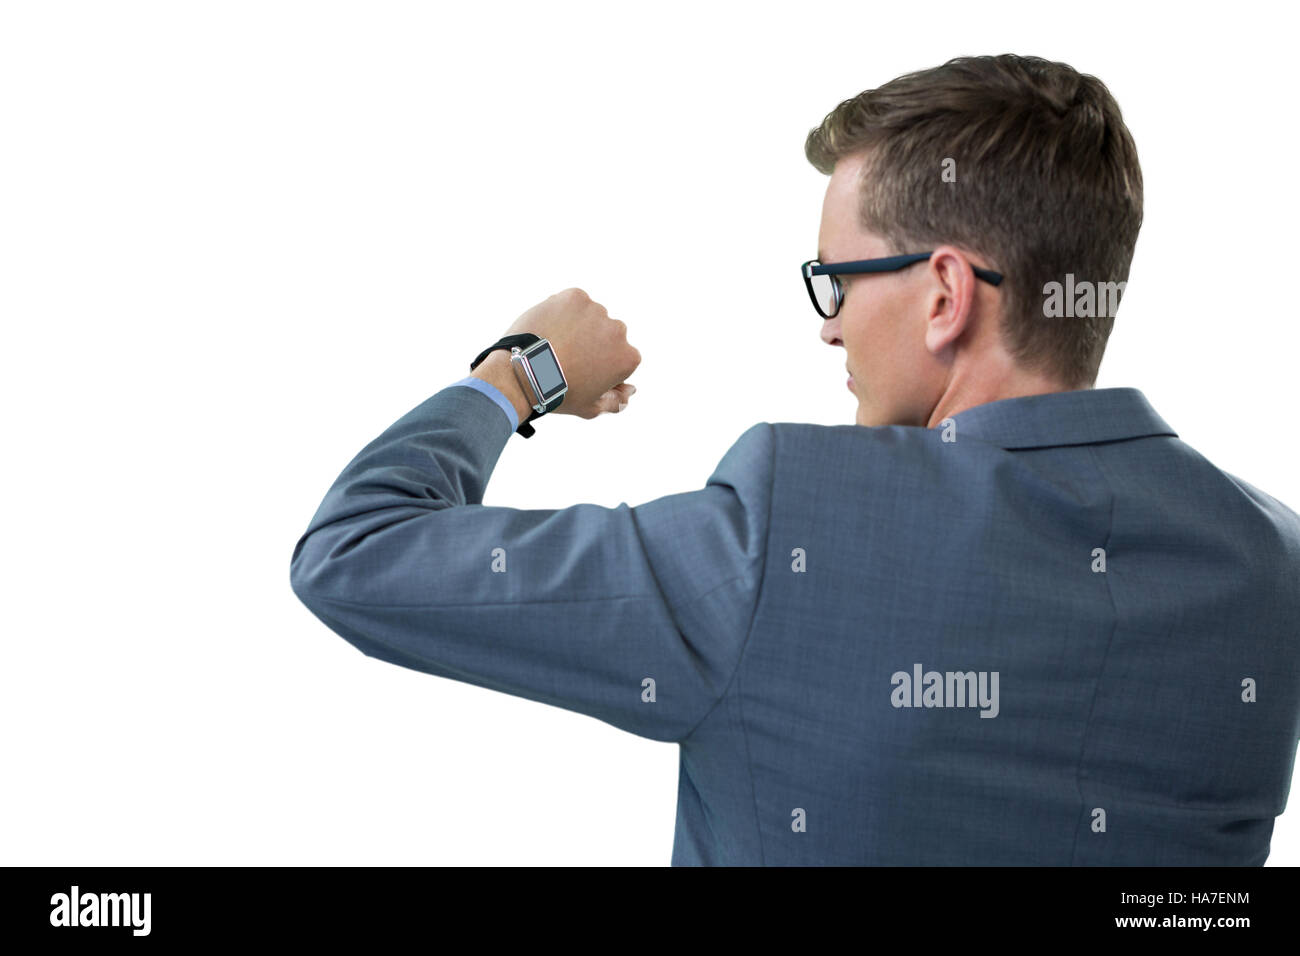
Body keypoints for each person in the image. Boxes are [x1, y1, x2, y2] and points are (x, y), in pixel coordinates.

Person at [289, 54, 1300, 865]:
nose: (828, 330)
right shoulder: (1272, 561)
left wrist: (524, 369)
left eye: (838, 281)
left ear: (945, 294)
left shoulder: (797, 527)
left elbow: (356, 550)